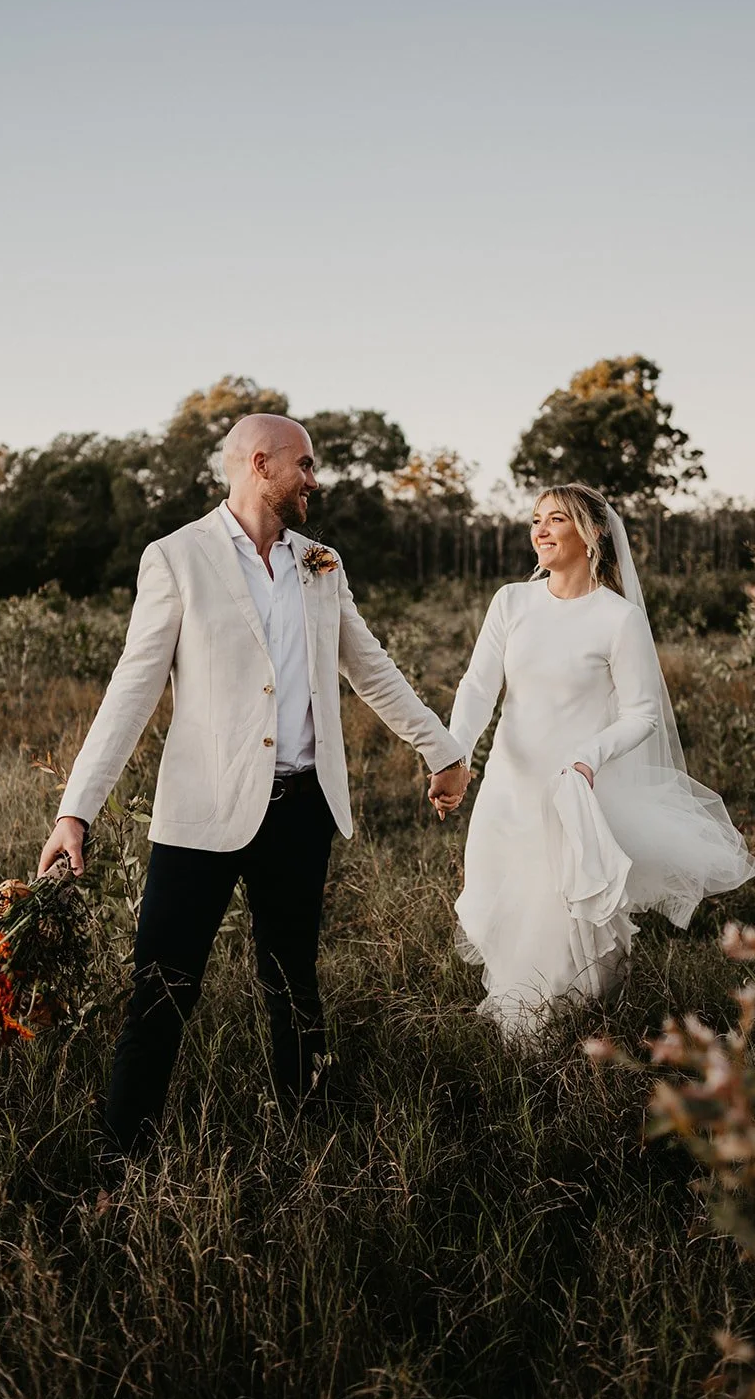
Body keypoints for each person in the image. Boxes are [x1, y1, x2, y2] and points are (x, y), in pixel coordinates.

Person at [38, 413, 469, 1179]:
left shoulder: (321, 562)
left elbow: (370, 668)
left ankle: (311, 1139)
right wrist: (76, 810)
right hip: (201, 813)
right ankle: (119, 1158)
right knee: (161, 991)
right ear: (260, 464)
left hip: (301, 809)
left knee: (292, 983)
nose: (315, 479)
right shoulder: (176, 558)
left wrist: (441, 750)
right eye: (305, 465)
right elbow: (131, 692)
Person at [443, 482, 755, 1036]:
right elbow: (476, 687)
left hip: (576, 789)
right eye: (536, 518)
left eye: (555, 519)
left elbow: (642, 713)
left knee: (560, 907)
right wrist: (455, 754)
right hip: (510, 783)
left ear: (589, 536)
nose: (539, 529)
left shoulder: (618, 619)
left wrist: (589, 758)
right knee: (508, 896)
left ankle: (548, 1029)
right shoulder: (511, 602)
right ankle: (532, 1021)